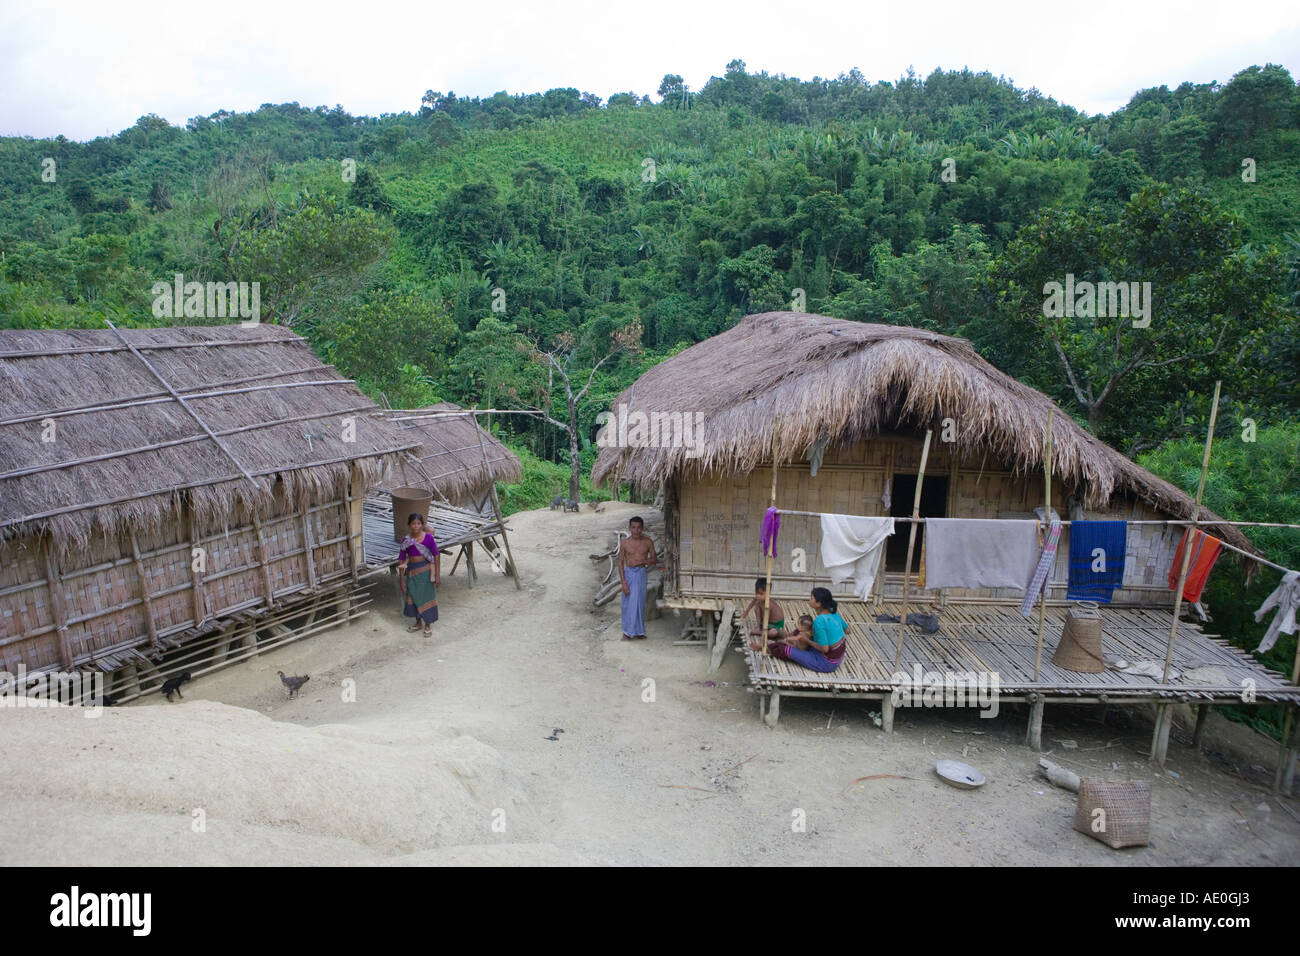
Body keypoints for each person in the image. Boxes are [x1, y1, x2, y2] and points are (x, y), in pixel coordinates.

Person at [749, 587, 846, 673]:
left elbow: (825, 649)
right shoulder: (834, 614)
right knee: (802, 630)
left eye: (811, 598)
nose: (809, 600)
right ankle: (777, 642)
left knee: (785, 649)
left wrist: (807, 640)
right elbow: (848, 630)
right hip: (837, 657)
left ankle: (765, 648)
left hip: (826, 661)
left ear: (819, 603)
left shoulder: (819, 621)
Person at [397, 513, 441, 638]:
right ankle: (418, 623)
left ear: (422, 525)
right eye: (413, 524)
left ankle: (428, 624)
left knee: (426, 597)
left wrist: (437, 575)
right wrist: (401, 580)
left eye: (418, 524)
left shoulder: (428, 538)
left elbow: (436, 555)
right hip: (412, 573)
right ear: (409, 525)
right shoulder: (406, 541)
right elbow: (401, 560)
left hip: (426, 572)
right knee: (413, 597)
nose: (416, 526)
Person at [619, 516, 657, 640]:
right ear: (630, 528)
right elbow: (620, 563)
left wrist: (643, 561)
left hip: (641, 573)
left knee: (639, 602)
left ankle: (639, 631)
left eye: (639, 528)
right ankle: (627, 632)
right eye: (633, 527)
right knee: (628, 604)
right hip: (629, 574)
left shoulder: (648, 542)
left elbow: (654, 560)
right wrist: (623, 583)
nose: (636, 530)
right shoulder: (625, 543)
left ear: (642, 528)